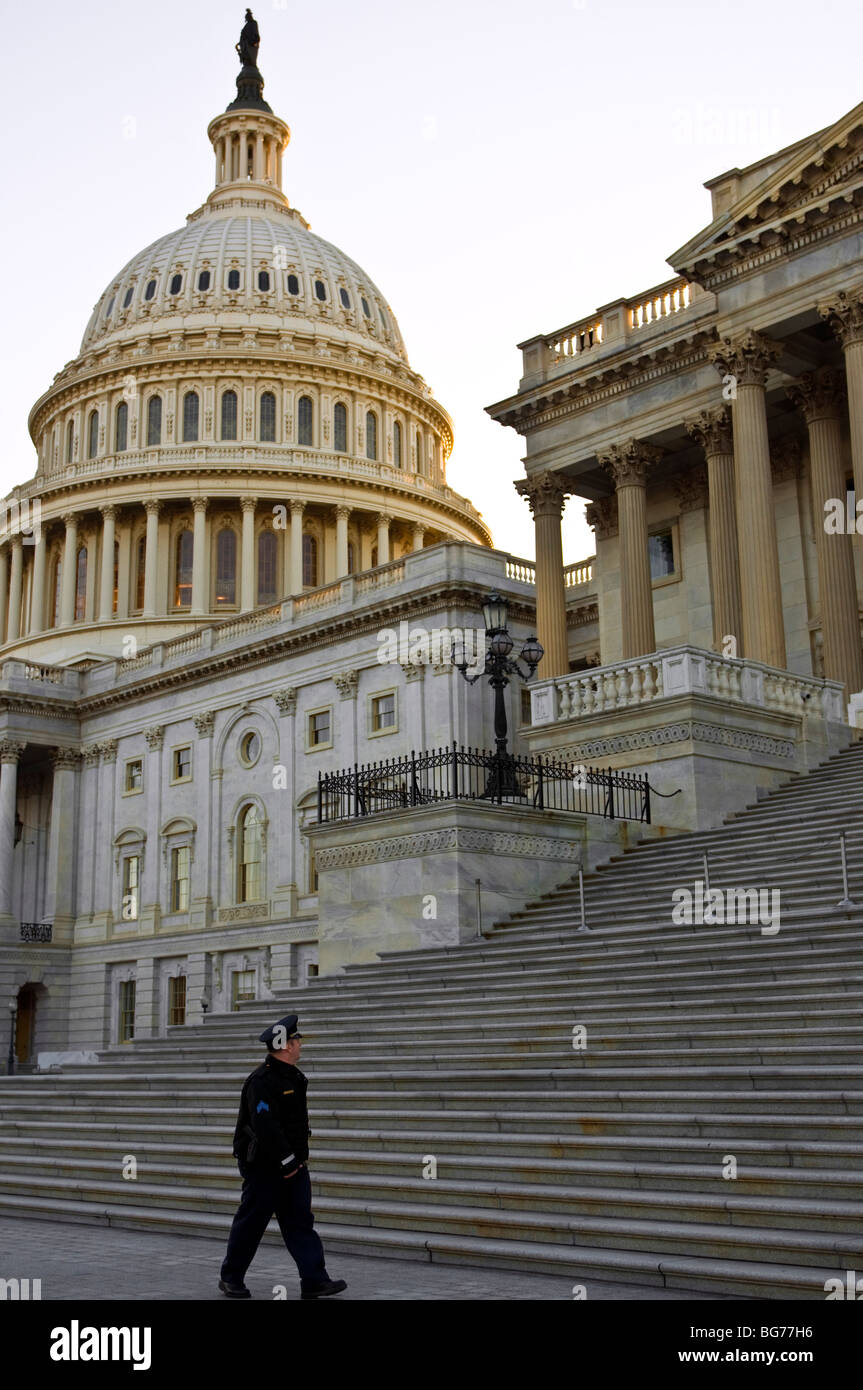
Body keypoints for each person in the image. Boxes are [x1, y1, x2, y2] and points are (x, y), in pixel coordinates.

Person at [219, 1013, 347, 1300]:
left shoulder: (294, 1076)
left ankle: (314, 1280)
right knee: (251, 1223)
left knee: (300, 1222)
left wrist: (296, 1160)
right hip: (264, 1167)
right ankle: (231, 1278)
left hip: (294, 1165)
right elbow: (265, 1126)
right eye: (297, 1040)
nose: (300, 1044)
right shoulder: (261, 1080)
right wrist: (286, 1160)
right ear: (286, 1045)